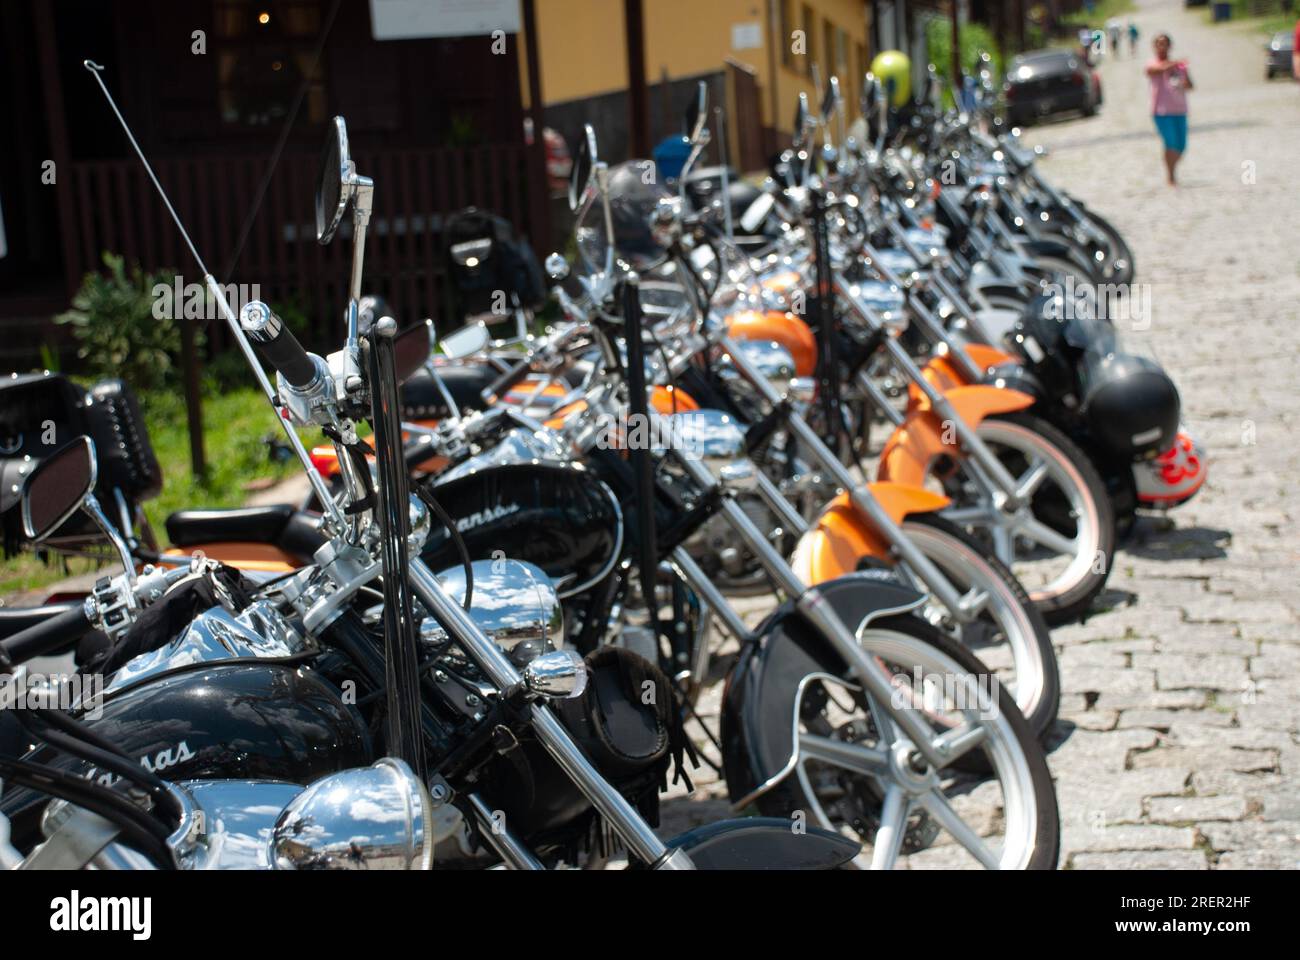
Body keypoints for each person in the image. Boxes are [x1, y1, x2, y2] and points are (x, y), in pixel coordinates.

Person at [1147, 34, 1192, 186]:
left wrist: (1184, 80)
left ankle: (1172, 168)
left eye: (1165, 43)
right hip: (1161, 111)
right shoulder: (1152, 63)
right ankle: (1171, 175)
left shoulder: (1179, 67)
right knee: (1170, 142)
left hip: (1180, 109)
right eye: (1159, 44)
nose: (1162, 47)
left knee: (1181, 146)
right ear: (1154, 47)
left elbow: (1190, 85)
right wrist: (1174, 64)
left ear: (1170, 46)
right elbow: (1154, 70)